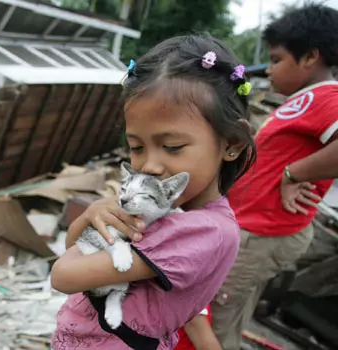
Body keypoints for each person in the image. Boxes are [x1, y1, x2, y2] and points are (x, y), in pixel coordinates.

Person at [50, 34, 256, 350]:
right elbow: (76, 249)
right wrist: (92, 215)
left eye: (172, 147)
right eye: (136, 147)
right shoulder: (176, 214)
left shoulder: (203, 230)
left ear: (232, 144)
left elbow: (65, 274)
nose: (150, 165)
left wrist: (90, 226)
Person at [210, 4, 338, 350]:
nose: (269, 69)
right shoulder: (302, 101)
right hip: (256, 230)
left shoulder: (328, 98)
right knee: (230, 314)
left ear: (311, 57)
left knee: (213, 321)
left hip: (261, 234)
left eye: (277, 60)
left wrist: (294, 172)